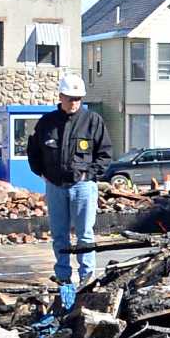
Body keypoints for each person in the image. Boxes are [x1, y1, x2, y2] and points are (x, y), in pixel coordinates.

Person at [26, 72, 110, 309]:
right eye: (70, 98)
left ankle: (87, 277)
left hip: (83, 187)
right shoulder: (47, 122)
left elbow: (105, 155)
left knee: (85, 233)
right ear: (60, 96)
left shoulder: (93, 121)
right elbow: (33, 152)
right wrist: (42, 174)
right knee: (59, 234)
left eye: (78, 98)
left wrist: (88, 175)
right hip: (55, 186)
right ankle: (63, 276)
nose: (74, 102)